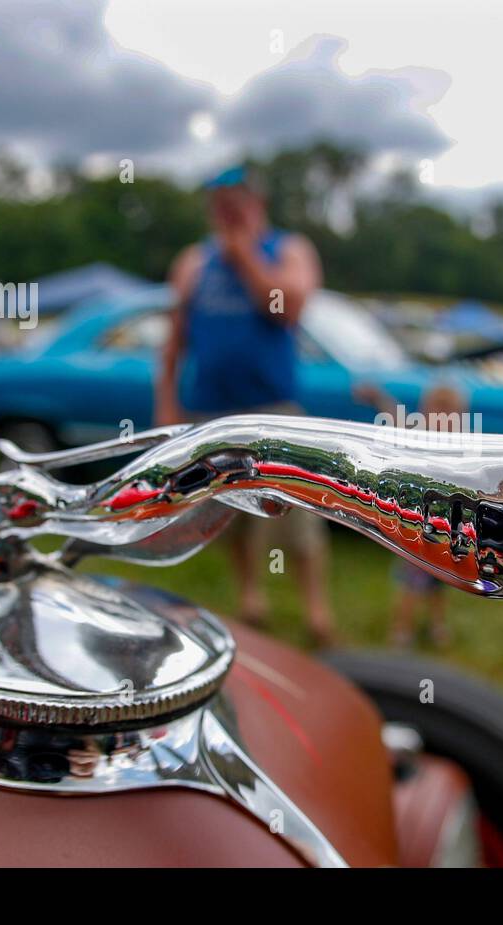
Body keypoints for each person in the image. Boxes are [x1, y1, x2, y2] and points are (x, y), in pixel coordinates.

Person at [156, 163, 337, 646]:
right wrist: (167, 409)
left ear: (257, 205)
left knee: (298, 514)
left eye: (237, 203)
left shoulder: (290, 250)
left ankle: (316, 610)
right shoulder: (194, 263)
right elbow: (174, 344)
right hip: (212, 413)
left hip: (274, 411)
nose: (227, 213)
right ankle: (251, 596)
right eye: (220, 205)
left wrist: (246, 258)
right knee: (228, 517)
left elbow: (287, 310)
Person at [352, 379, 471, 648]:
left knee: (441, 582)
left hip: (447, 530)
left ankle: (437, 625)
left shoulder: (462, 447)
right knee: (411, 583)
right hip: (418, 529)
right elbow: (394, 416)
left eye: (451, 414)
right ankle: (401, 628)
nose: (444, 420)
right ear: (425, 412)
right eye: (437, 412)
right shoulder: (418, 437)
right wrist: (377, 397)